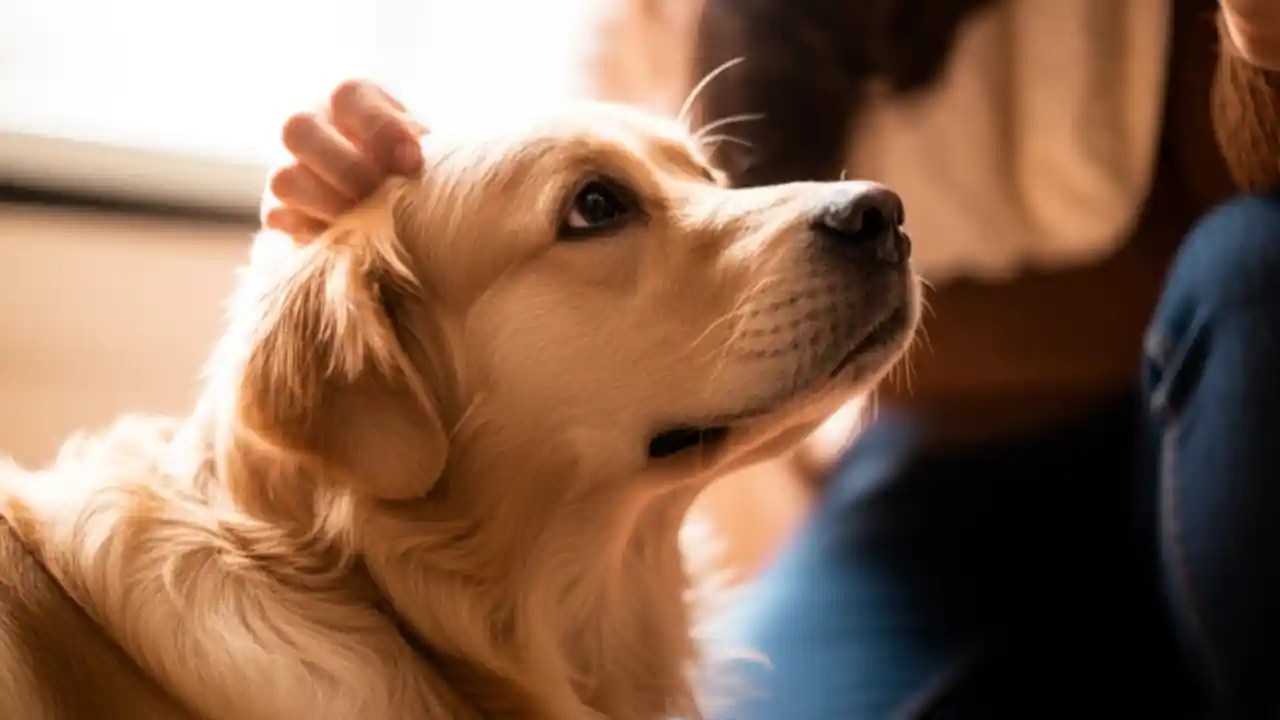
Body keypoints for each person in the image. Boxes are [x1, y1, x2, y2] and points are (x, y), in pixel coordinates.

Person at [262, 1, 1280, 716]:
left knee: (1256, 267)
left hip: (1224, 393)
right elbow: (544, 288)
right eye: (602, 207)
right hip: (927, 480)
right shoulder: (657, 18)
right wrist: (382, 219)